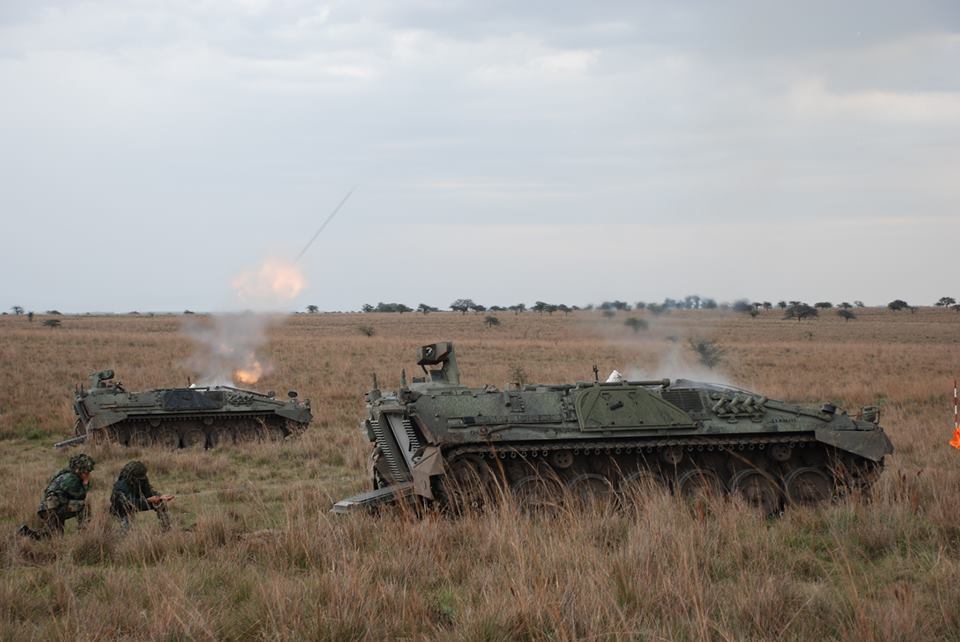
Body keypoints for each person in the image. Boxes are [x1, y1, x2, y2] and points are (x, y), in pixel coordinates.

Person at [18, 453, 95, 539]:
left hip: (48, 510)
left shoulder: (64, 474)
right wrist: (85, 483)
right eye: (86, 472)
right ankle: (83, 535)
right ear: (79, 470)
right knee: (84, 507)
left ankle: (27, 533)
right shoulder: (72, 479)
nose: (88, 474)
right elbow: (80, 496)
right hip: (53, 510)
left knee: (53, 536)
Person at [109, 461, 174, 532]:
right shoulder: (121, 486)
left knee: (160, 503)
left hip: (137, 501)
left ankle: (167, 529)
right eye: (139, 477)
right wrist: (148, 501)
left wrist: (159, 497)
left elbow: (148, 493)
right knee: (126, 530)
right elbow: (132, 503)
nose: (141, 480)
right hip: (122, 508)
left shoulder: (142, 479)